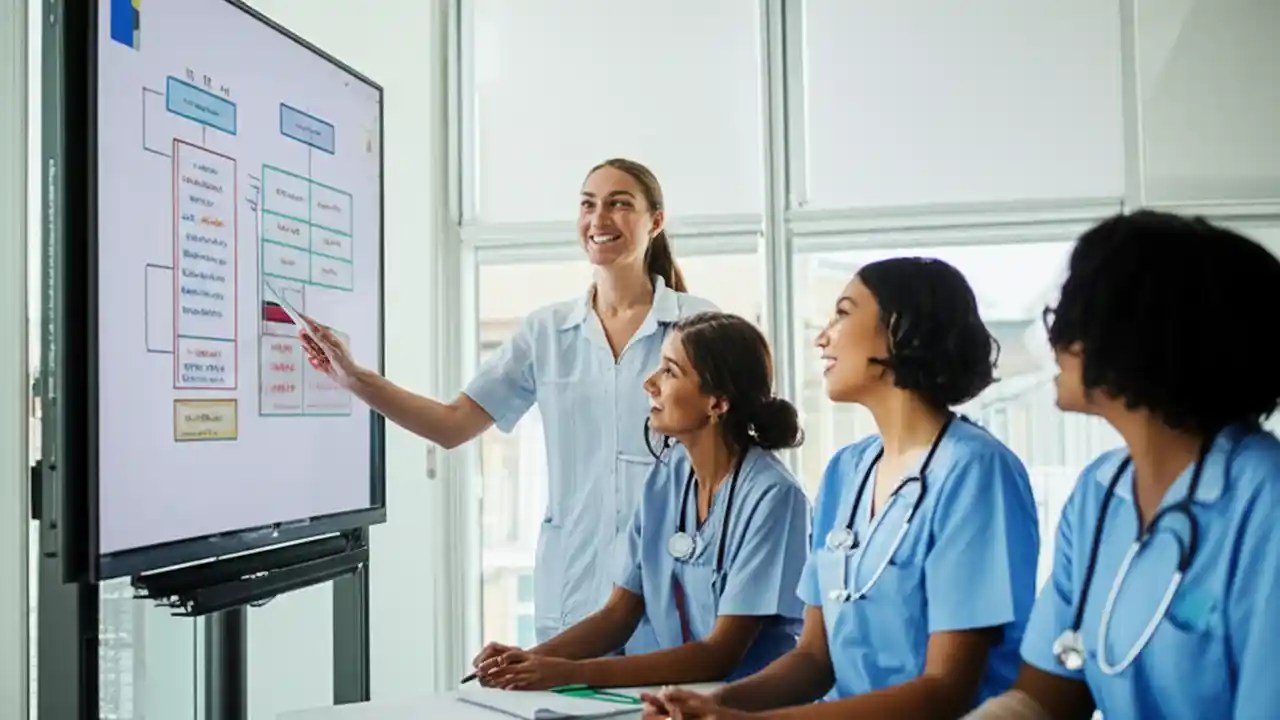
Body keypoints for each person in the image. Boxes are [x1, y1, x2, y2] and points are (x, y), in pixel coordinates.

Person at [299, 158, 716, 643]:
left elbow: (731, 456)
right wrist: (354, 378)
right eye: (588, 204)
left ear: (656, 221)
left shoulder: (697, 325)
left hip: (674, 583)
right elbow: (452, 425)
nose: (599, 219)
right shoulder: (547, 332)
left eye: (619, 204)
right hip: (576, 589)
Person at [644, 257, 1040, 719]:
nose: (822, 335)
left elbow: (944, 690)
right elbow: (814, 659)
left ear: (899, 331)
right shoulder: (846, 472)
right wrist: (709, 705)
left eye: (843, 313)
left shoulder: (976, 472)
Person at [965, 211, 1280, 720]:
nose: (1056, 339)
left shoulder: (1266, 500)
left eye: (1075, 312)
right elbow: (1046, 696)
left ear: (1144, 332)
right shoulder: (1100, 492)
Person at [468, 311, 811, 690]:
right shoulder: (667, 476)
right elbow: (619, 614)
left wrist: (573, 674)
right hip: (668, 701)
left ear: (717, 403)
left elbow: (720, 653)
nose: (649, 383)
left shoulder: (774, 498)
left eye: (670, 371)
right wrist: (530, 659)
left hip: (744, 706)